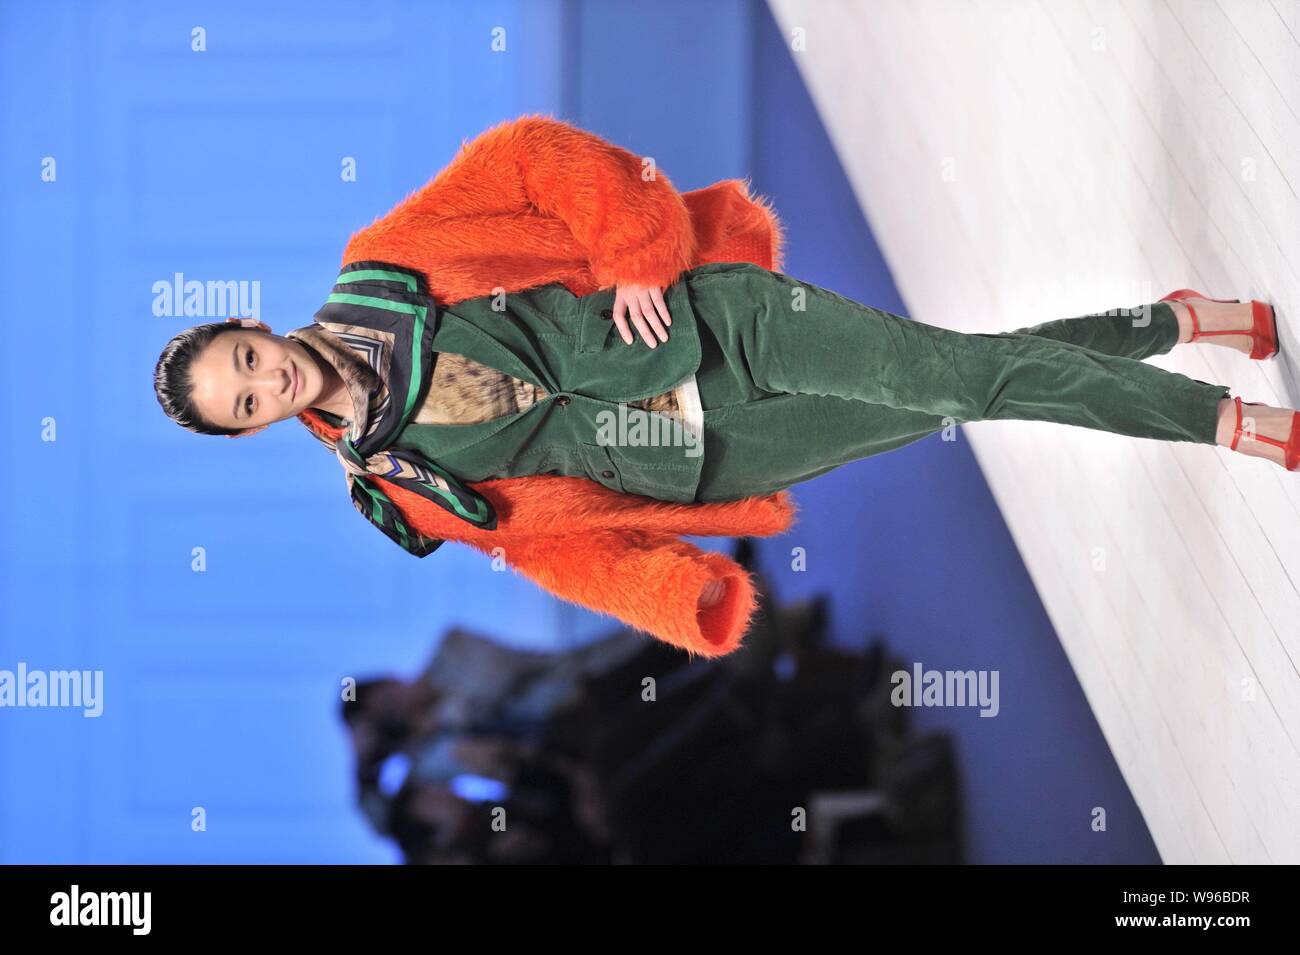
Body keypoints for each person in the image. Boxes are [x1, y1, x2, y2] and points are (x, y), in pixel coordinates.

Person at [153, 116, 1295, 658]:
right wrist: (664, 593)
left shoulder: (383, 267)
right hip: (713, 455)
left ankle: (1235, 424)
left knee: (968, 374)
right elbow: (545, 543)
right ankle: (1179, 321)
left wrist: (636, 253)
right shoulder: (394, 486)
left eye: (244, 359)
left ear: (254, 325)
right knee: (967, 390)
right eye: (243, 401)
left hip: (719, 331)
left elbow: (527, 159)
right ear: (255, 431)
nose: (265, 380)